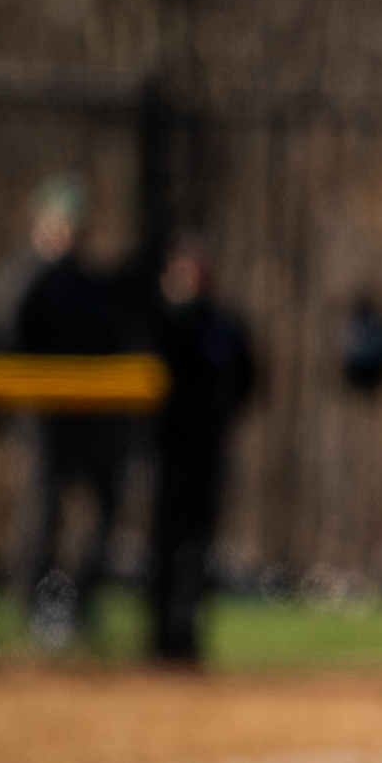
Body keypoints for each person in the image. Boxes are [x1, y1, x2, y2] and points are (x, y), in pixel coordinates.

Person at [0, 172, 132, 650]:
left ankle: (73, 608)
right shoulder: (25, 279)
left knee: (101, 509)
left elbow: (114, 339)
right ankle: (35, 610)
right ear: (41, 224)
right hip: (42, 415)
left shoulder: (93, 283)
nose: (69, 234)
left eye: (76, 226)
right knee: (44, 510)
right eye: (60, 224)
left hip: (92, 415)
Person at [146, 232, 255, 664]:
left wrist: (224, 415)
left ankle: (187, 633)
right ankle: (158, 638)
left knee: (197, 544)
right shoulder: (160, 322)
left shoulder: (223, 323)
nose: (195, 277)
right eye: (186, 269)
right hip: (162, 447)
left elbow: (247, 378)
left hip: (207, 445)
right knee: (163, 540)